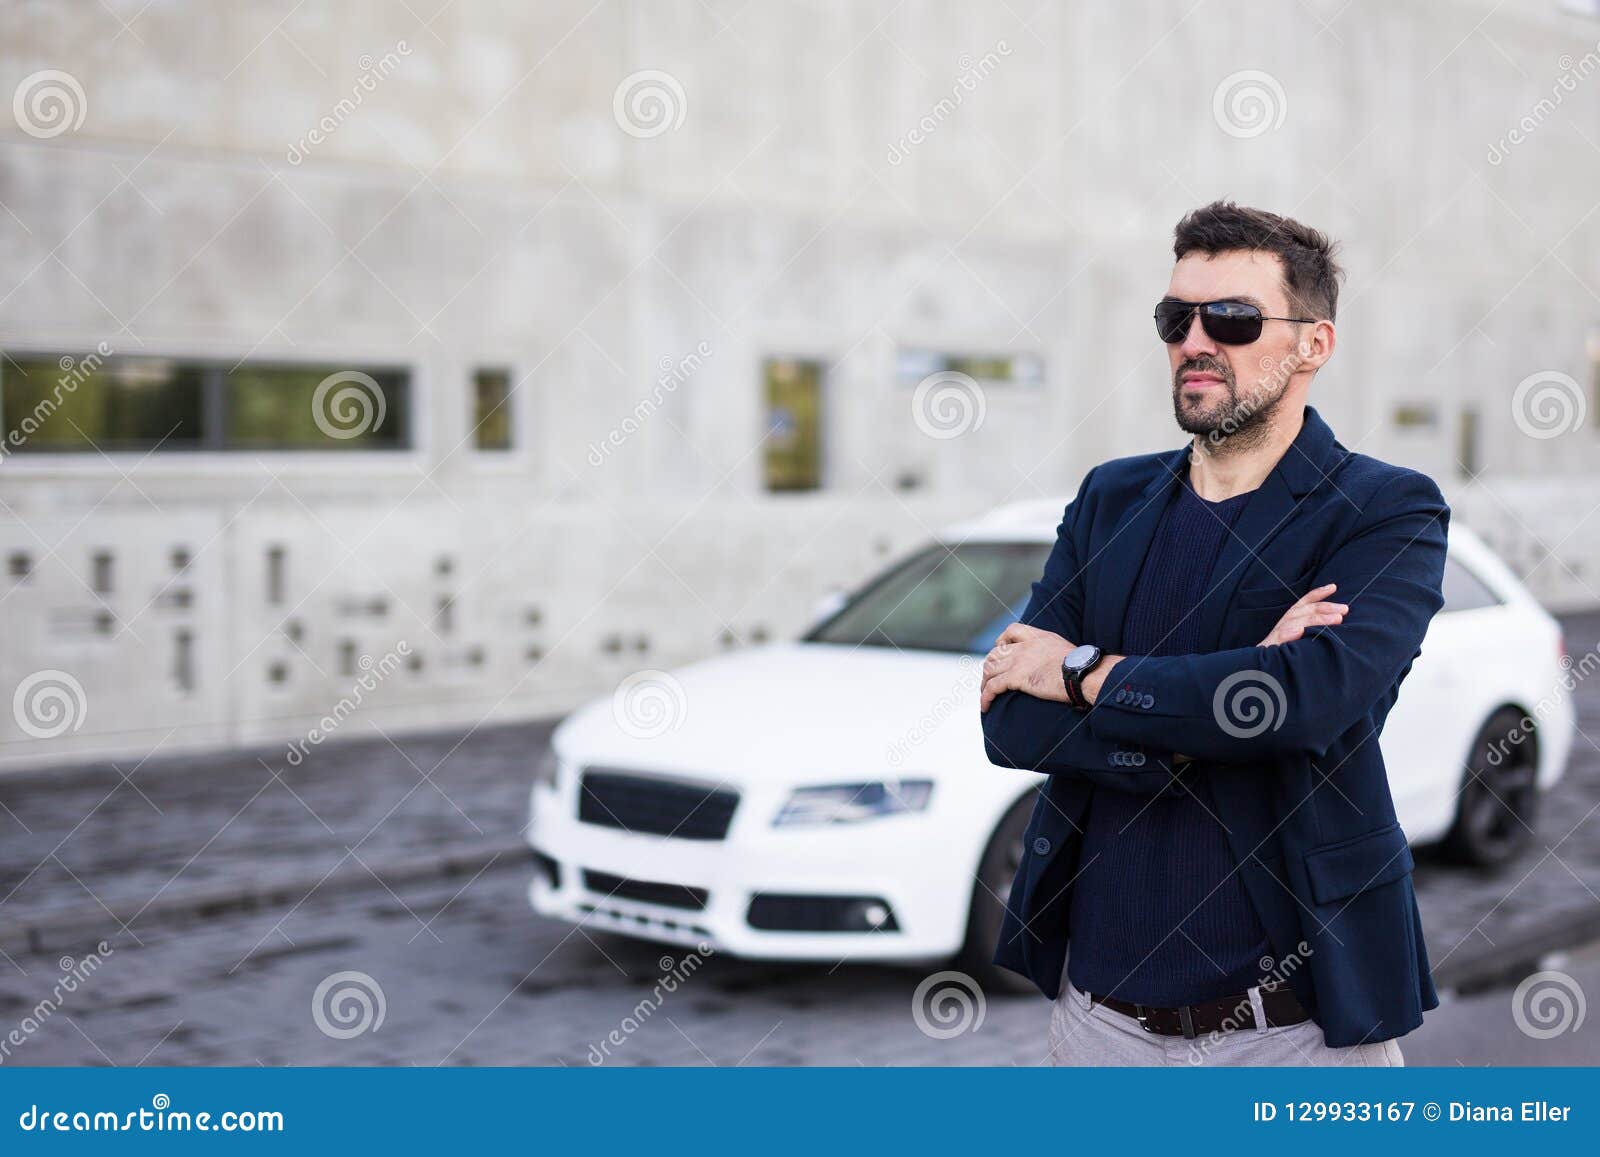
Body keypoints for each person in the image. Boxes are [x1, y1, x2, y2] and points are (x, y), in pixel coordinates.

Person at [978, 201, 1448, 1066]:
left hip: (1290, 1033)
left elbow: (1301, 705)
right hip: (1096, 1026)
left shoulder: (1385, 510)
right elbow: (1008, 716)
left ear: (1314, 344)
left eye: (1230, 318)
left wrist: (1081, 671)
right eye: (1175, 318)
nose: (1196, 339)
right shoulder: (1110, 498)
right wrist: (1214, 714)